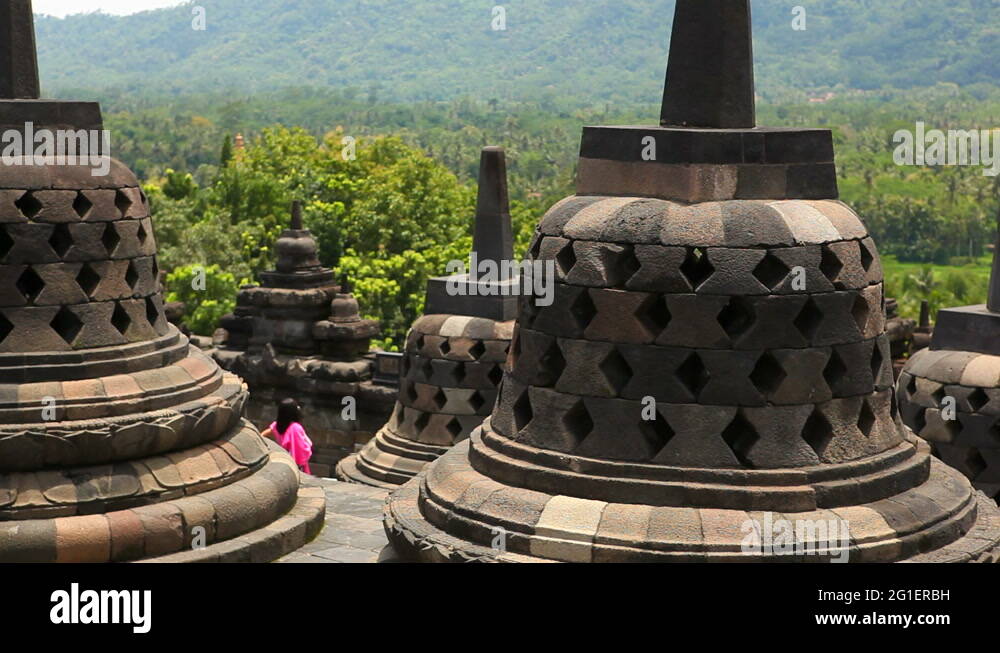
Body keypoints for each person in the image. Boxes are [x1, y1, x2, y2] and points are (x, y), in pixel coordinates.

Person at [261, 398, 313, 474]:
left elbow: (265, 433)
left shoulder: (277, 426)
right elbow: (302, 450)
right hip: (296, 466)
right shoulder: (295, 428)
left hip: (283, 461)